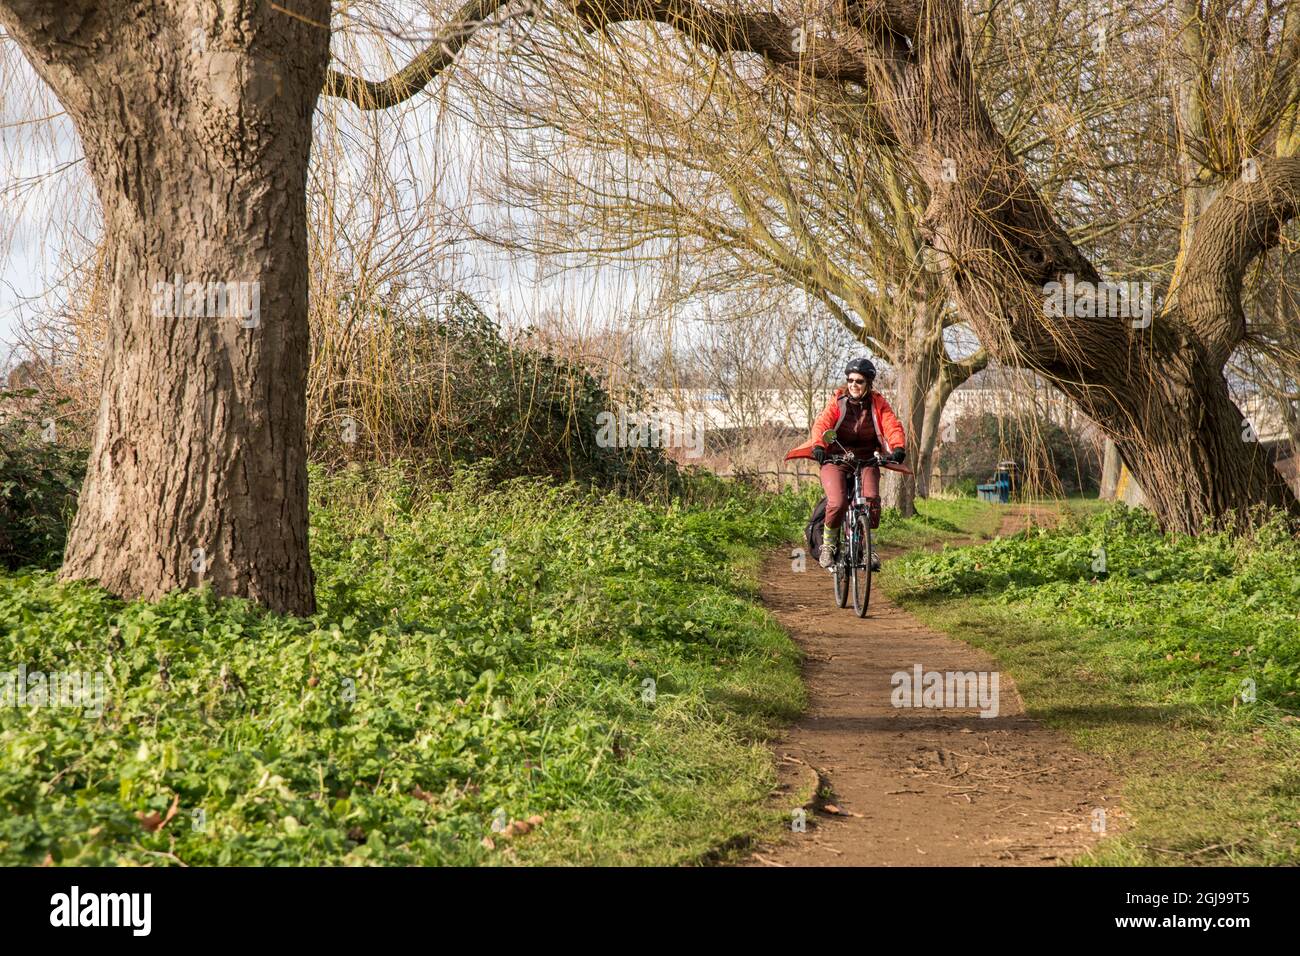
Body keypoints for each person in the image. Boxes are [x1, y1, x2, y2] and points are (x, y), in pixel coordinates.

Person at [784, 358, 907, 570]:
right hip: (836, 458)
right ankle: (829, 546)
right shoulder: (838, 401)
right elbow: (822, 424)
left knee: (872, 500)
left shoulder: (878, 403)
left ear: (868, 383)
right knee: (838, 502)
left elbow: (892, 425)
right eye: (850, 380)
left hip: (867, 459)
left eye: (859, 381)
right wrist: (819, 447)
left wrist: (898, 448)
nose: (854, 385)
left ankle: (868, 549)